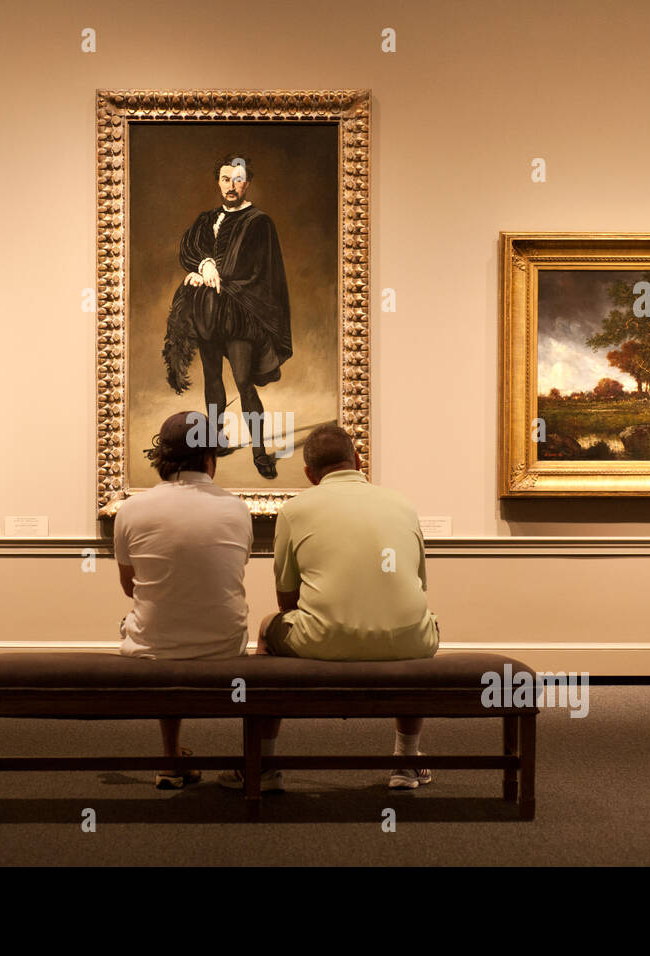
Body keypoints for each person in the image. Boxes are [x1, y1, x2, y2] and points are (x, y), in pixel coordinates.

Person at [223, 423, 440, 793]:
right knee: (414, 623)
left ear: (309, 474)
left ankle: (265, 764)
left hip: (324, 640)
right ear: (358, 460)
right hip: (411, 642)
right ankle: (406, 761)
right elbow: (419, 585)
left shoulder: (294, 510)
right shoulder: (403, 505)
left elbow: (286, 602)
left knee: (266, 626)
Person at [114, 411, 252, 789]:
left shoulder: (131, 509)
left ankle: (171, 758)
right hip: (225, 645)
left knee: (152, 625)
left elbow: (132, 588)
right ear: (210, 459)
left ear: (164, 458)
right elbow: (231, 574)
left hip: (154, 647)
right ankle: (252, 760)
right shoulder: (237, 508)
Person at [161, 154, 292, 480]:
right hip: (208, 311)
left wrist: (215, 273)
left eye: (237, 180)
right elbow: (189, 250)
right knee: (213, 380)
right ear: (218, 182)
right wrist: (203, 267)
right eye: (225, 179)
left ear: (247, 183)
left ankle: (260, 452)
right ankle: (215, 440)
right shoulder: (208, 219)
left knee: (244, 383)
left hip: (240, 313)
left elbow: (258, 270)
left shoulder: (259, 222)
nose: (231, 186)